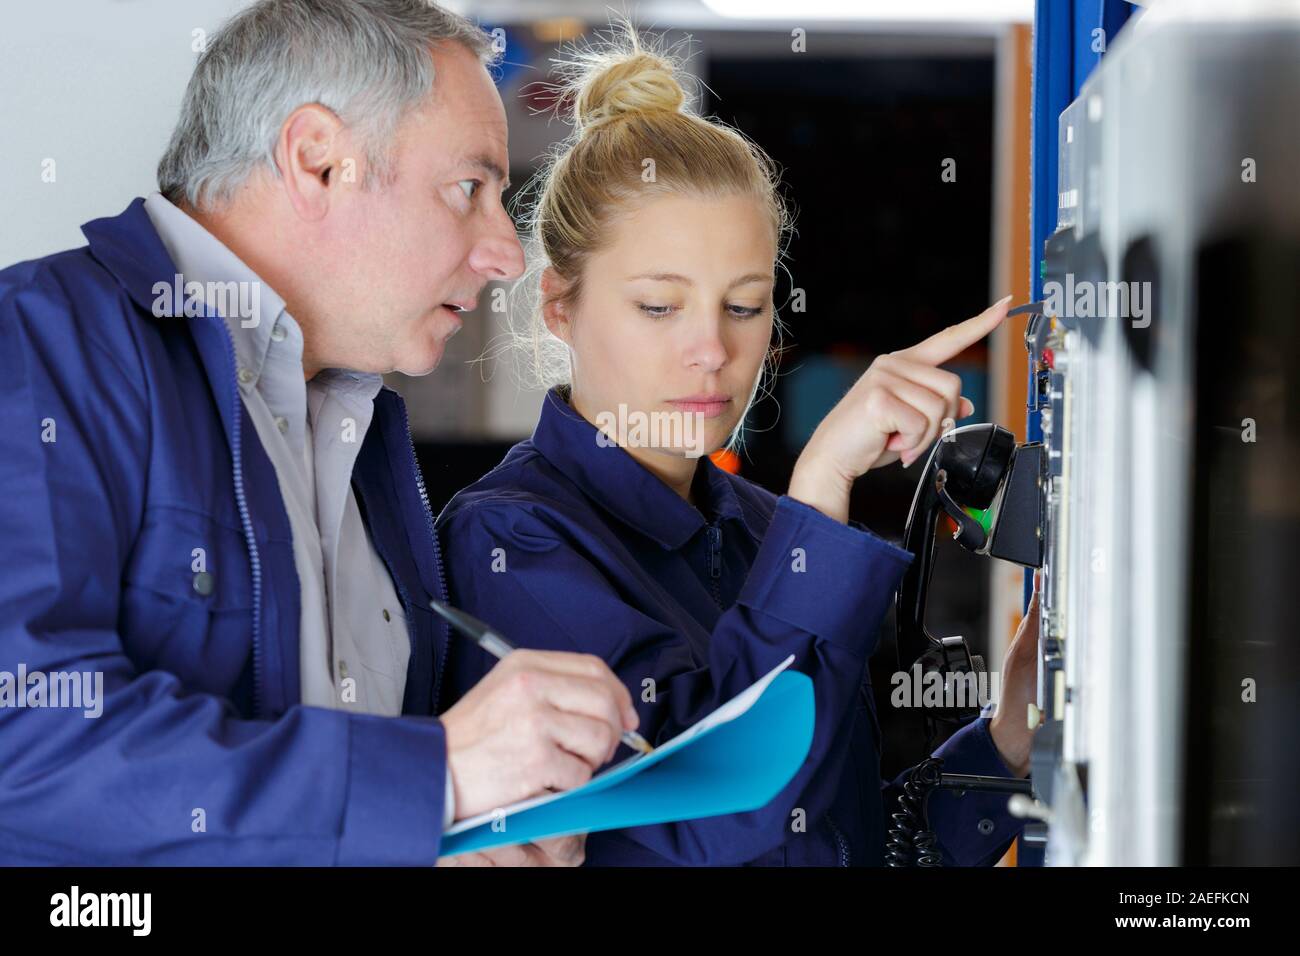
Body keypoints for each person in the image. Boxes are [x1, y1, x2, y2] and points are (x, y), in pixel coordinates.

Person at [0, 0, 639, 866]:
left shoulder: (364, 431)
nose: (507, 252)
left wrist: (449, 840)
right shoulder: (40, 344)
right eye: (470, 188)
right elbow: (26, 750)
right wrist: (437, 776)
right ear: (319, 161)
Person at [435, 28, 1037, 866]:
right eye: (659, 307)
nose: (711, 350)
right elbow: (730, 814)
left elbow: (840, 841)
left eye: (744, 307)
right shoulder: (512, 542)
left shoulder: (765, 531)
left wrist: (1004, 740)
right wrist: (822, 481)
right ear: (559, 307)